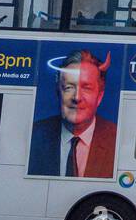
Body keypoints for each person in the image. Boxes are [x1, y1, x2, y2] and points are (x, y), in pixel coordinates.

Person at [28, 49, 117, 178]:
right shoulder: (34, 136)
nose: (77, 97)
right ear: (58, 92)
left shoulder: (115, 140)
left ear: (99, 96)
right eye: (69, 87)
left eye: (87, 88)